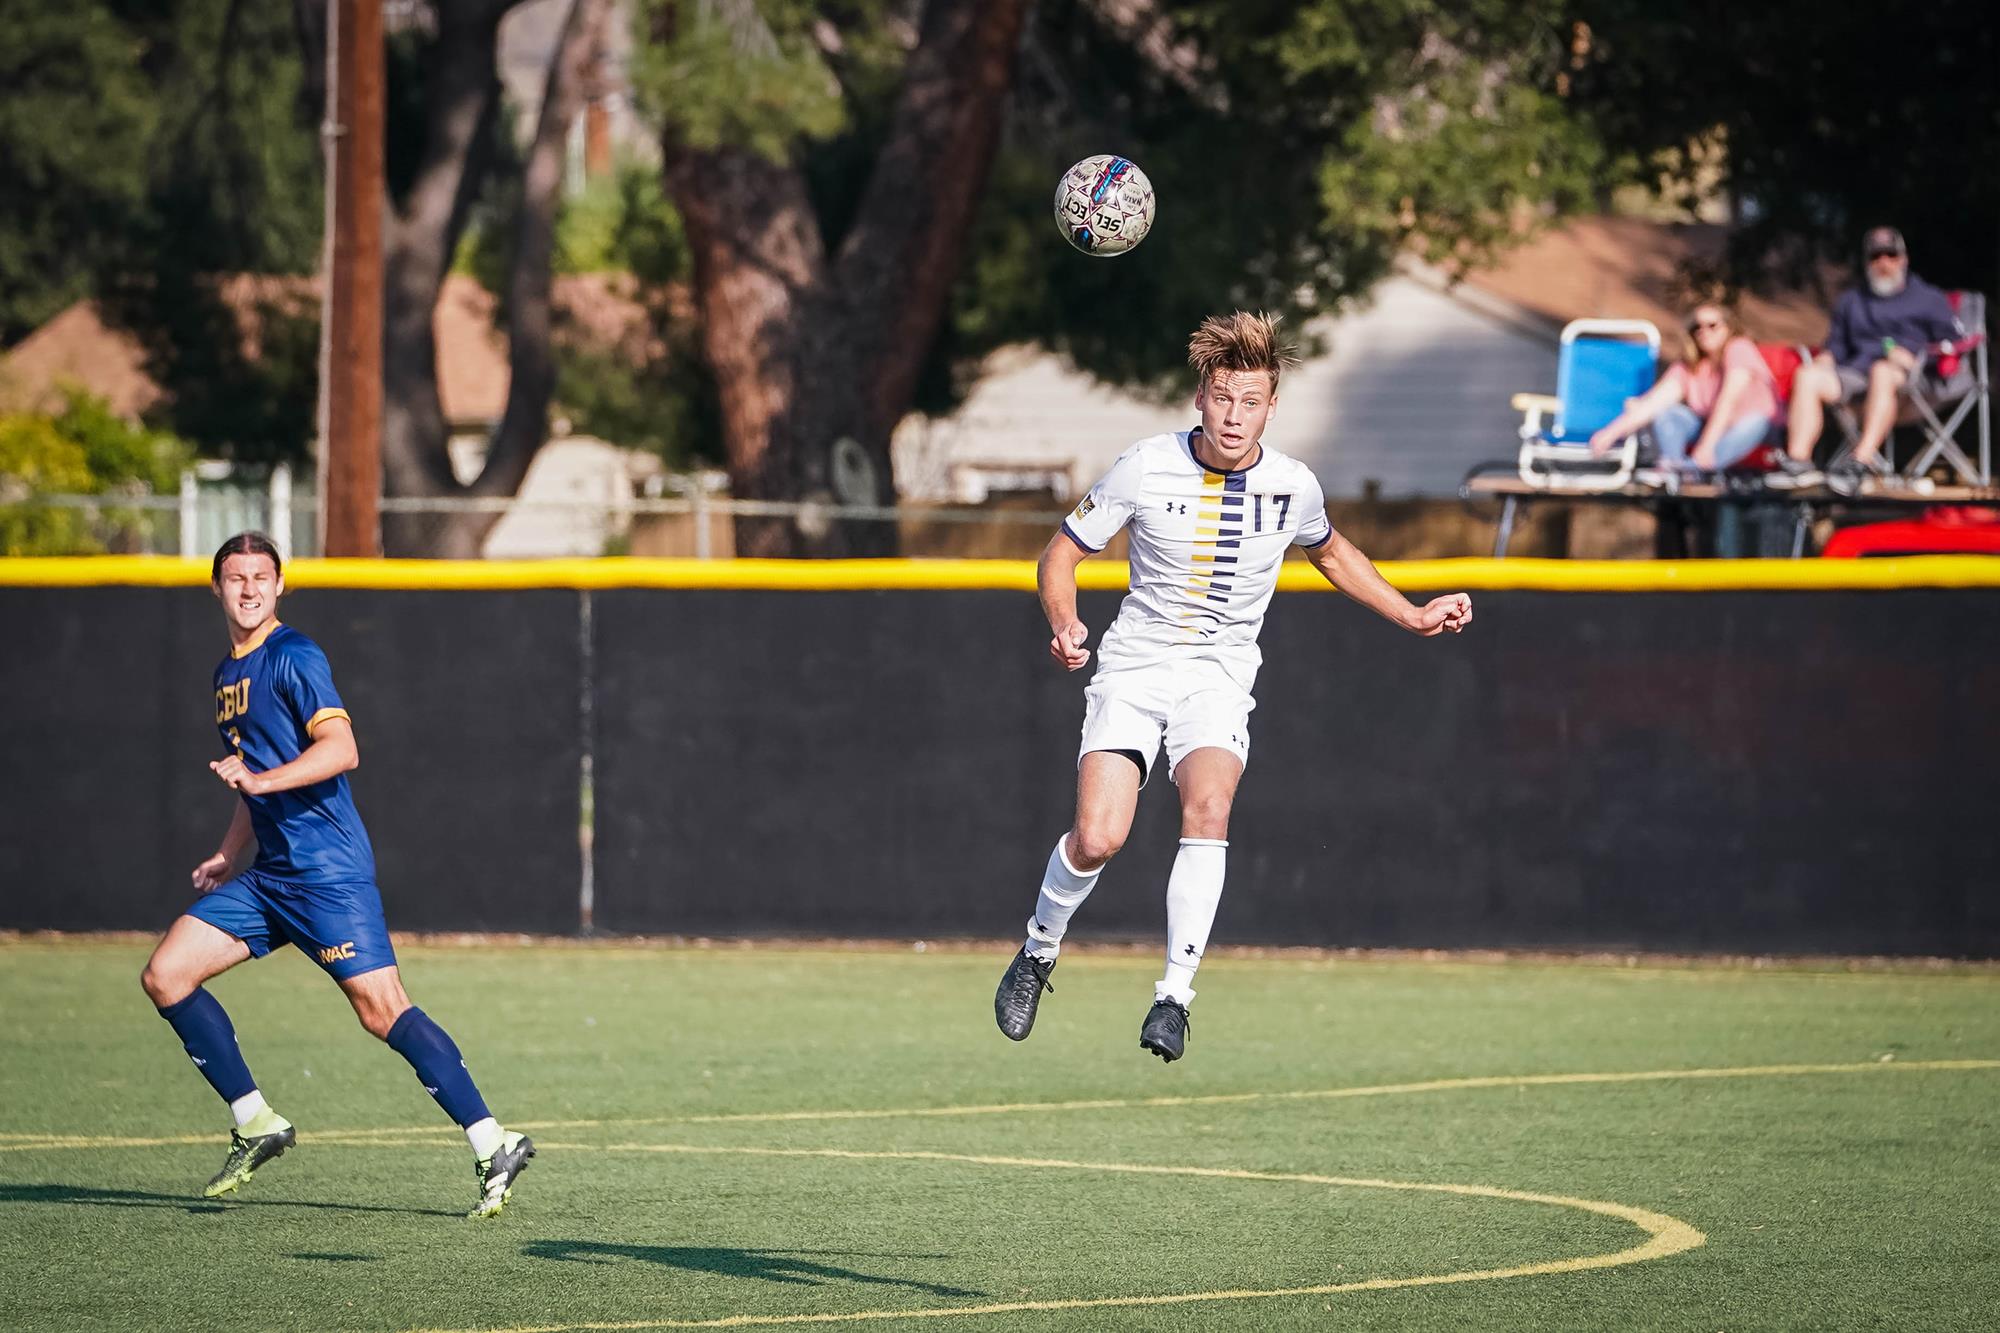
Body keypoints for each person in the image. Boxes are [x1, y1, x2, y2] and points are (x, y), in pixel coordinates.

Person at [993, 312, 1472, 1062]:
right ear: (1200, 396)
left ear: (1271, 406)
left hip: (1219, 677)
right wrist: (1064, 622)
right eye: (1222, 397)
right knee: (1099, 836)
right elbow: (1060, 556)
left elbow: (1334, 553)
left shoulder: (1293, 485)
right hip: (1136, 667)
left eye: (1250, 401)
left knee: (1210, 807)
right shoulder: (1145, 466)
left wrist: (1412, 614)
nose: (1234, 415)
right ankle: (1038, 948)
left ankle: (1174, 998)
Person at [140, 532, 535, 1218]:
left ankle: (491, 1139)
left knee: (382, 1011)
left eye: (261, 576)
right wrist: (232, 851)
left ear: (280, 585)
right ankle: (256, 1119)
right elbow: (251, 778)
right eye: (235, 577)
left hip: (326, 874)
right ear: (216, 587)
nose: (248, 588)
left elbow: (341, 747)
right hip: (270, 877)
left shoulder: (293, 655)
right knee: (167, 972)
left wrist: (259, 783)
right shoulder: (226, 676)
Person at [1769, 226, 1963, 490]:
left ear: (1903, 259)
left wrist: (1918, 358)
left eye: (1890, 255)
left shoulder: (1929, 299)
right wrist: (1824, 360)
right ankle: (1799, 463)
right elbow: (1835, 347)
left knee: (1882, 371)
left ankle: (1860, 463)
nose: (1883, 262)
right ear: (1867, 262)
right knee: (1807, 375)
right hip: (1856, 376)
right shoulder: (1851, 301)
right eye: (1876, 256)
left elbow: (1953, 346)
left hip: (1912, 382)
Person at [1585, 303, 1781, 477]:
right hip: (1711, 427)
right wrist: (1610, 433)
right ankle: (1672, 469)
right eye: (1697, 327)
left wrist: (1706, 447)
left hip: (1757, 430)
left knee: (1755, 421)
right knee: (1667, 414)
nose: (1704, 331)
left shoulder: (1739, 348)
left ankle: (1696, 468)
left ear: (1729, 328)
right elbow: (1654, 402)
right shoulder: (1690, 366)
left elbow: (1728, 401)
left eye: (1712, 325)